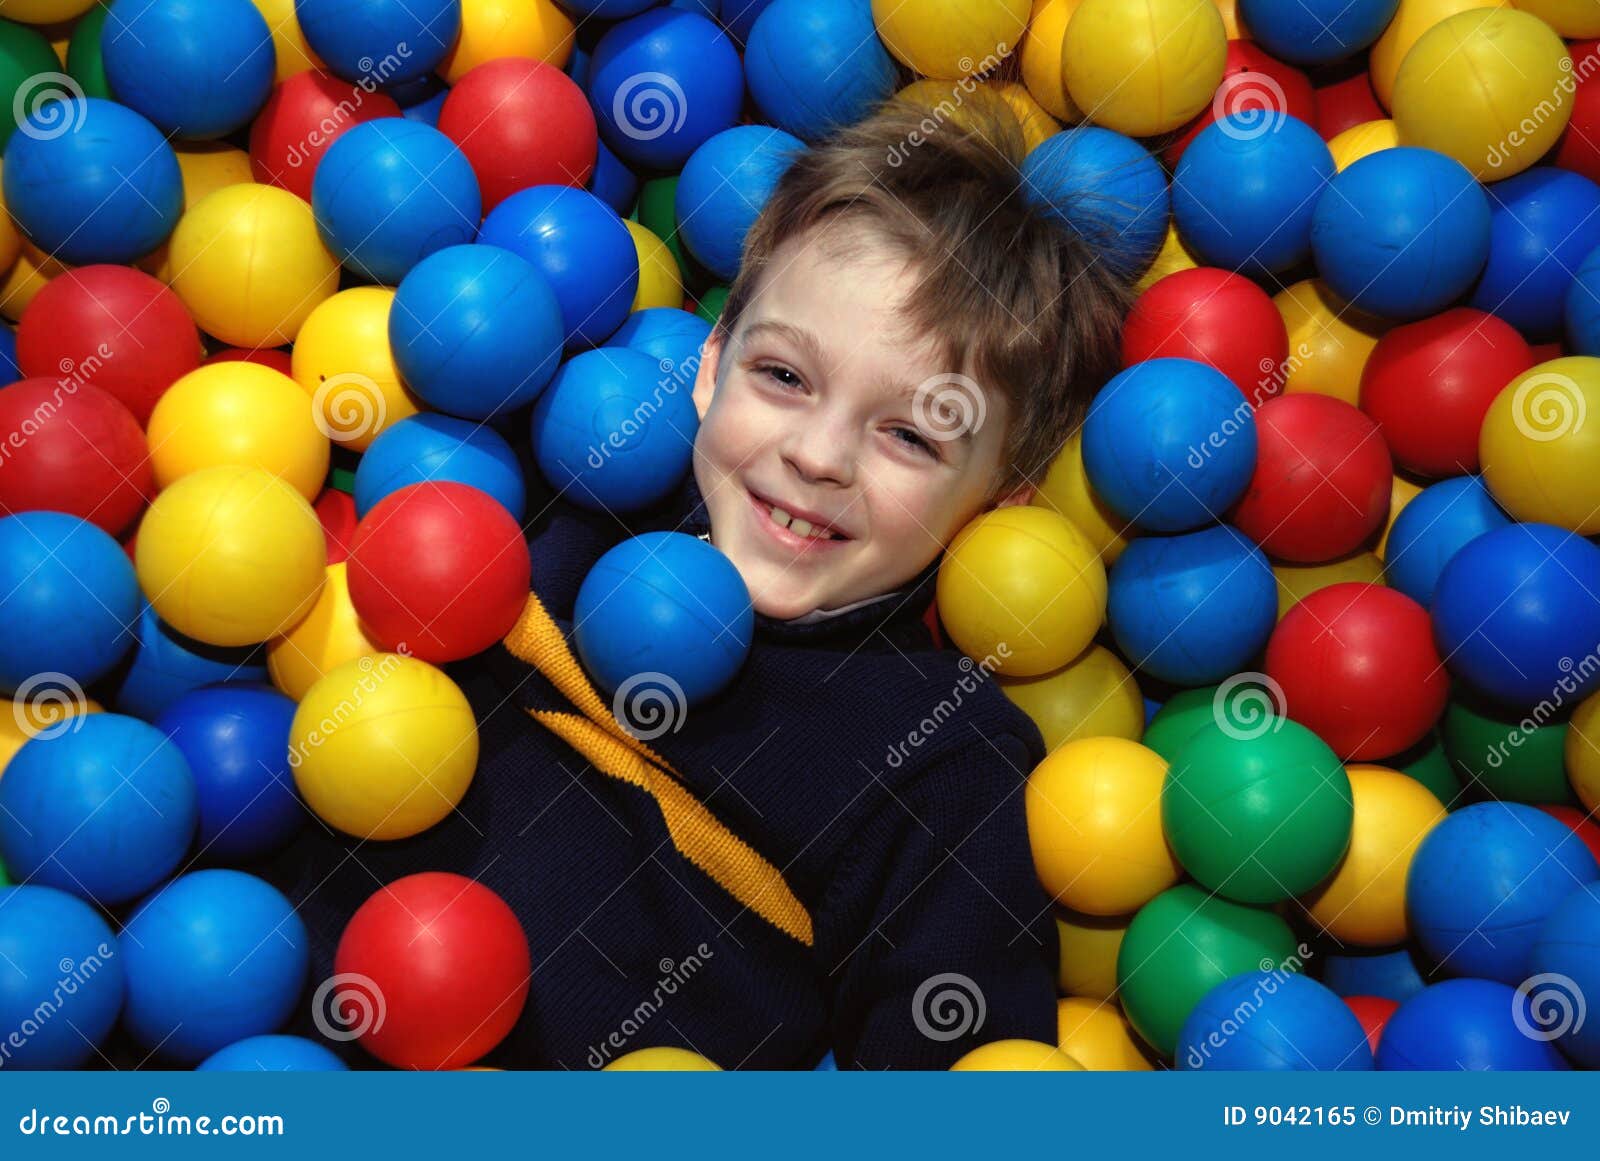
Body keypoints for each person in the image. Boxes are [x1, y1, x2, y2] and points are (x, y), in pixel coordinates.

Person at [265, 99, 1131, 1069]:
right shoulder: (568, 504)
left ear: (995, 510)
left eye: (910, 436)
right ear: (709, 363)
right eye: (785, 377)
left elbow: (960, 1079)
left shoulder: (934, 762)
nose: (818, 455)